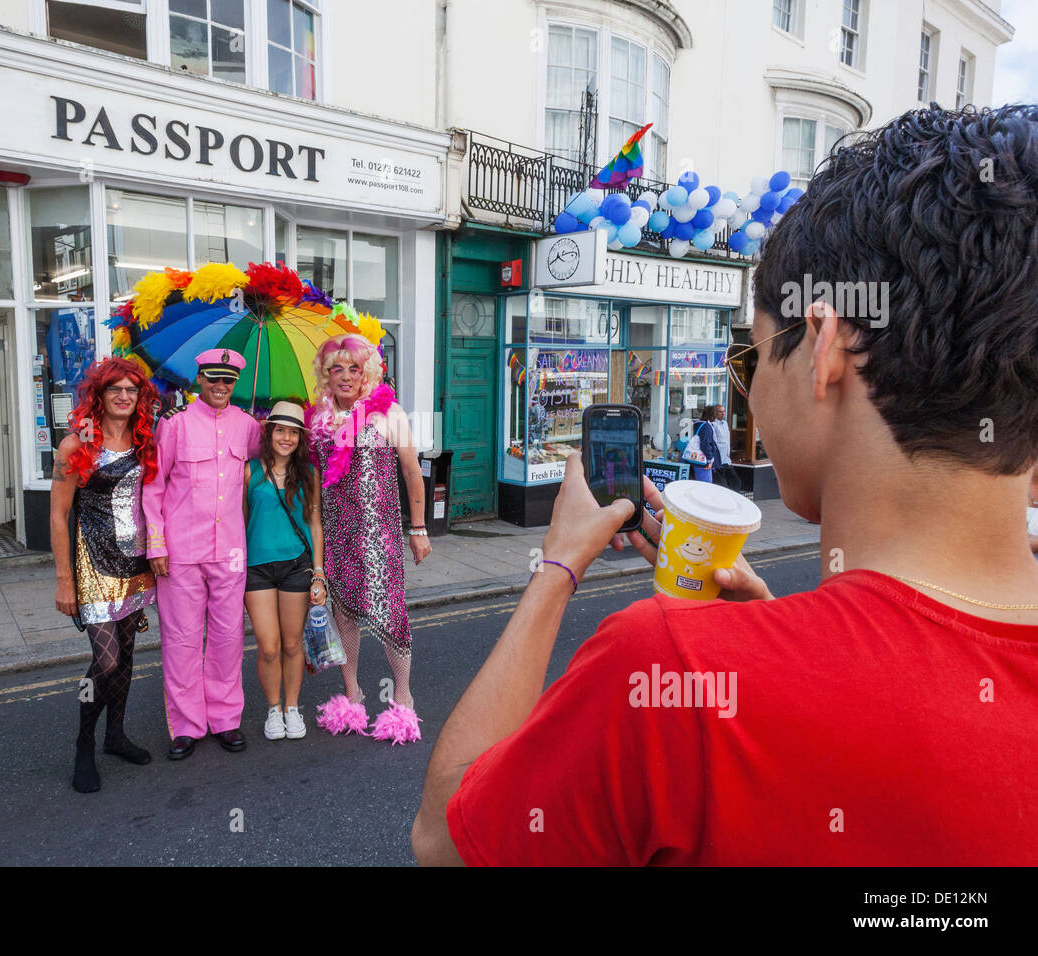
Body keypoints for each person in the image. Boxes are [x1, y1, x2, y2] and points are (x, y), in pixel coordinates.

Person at [413, 104, 1038, 865]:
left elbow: (448, 837)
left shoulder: (669, 664)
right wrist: (790, 654)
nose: (746, 386)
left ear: (824, 351)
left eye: (749, 353)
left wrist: (558, 567)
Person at [307, 333, 431, 744]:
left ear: (368, 372)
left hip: (379, 533)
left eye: (354, 369)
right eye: (337, 369)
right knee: (344, 615)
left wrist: (418, 528)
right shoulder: (317, 421)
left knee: (390, 613)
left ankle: (403, 696)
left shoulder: (388, 413)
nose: (345, 377)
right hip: (337, 533)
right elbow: (311, 485)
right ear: (327, 374)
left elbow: (413, 472)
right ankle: (352, 694)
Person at [142, 349, 261, 760]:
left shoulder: (249, 428)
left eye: (228, 380)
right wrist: (155, 544)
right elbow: (153, 488)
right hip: (181, 551)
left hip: (229, 551)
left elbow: (271, 470)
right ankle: (188, 725)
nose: (220, 387)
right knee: (181, 639)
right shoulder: (173, 427)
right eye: (213, 378)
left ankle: (226, 719)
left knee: (228, 638)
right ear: (199, 379)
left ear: (236, 383)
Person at [50, 357, 159, 794]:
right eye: (115, 388)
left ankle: (116, 735)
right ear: (100, 393)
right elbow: (58, 516)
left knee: (128, 655)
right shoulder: (75, 446)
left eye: (132, 390)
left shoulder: (144, 440)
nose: (124, 396)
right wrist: (64, 581)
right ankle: (84, 743)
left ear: (140, 398)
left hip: (136, 563)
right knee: (106, 660)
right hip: (92, 564)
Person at [243, 400, 326, 740]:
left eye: (293, 432)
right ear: (269, 432)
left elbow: (315, 522)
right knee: (269, 646)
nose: (287, 438)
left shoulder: (309, 474)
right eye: (281, 430)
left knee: (293, 645)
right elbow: (242, 518)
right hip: (257, 569)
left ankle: (292, 708)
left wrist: (319, 573)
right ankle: (272, 709)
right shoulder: (250, 470)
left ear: (300, 438)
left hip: (297, 566)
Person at [709, 403, 742, 491]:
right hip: (718, 461)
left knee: (736, 481)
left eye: (724, 411)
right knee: (722, 485)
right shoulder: (713, 425)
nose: (723, 414)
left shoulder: (725, 423)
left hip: (726, 460)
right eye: (720, 412)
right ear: (715, 413)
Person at [688, 406, 717, 482]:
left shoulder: (696, 424)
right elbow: (705, 444)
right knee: (705, 486)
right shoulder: (706, 426)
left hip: (691, 457)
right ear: (713, 415)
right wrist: (709, 460)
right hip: (701, 460)